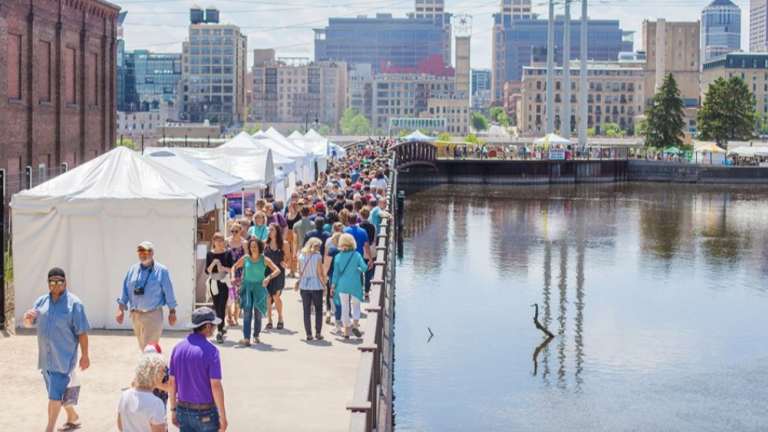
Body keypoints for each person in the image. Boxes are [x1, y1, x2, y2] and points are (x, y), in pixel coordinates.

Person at [24, 267, 90, 432]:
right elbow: (28, 324)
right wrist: (27, 318)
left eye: (59, 282)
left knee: (54, 396)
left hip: (63, 359)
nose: (55, 285)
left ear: (65, 282)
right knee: (56, 394)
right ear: (48, 283)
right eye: (52, 282)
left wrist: (85, 355)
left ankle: (49, 428)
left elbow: (82, 332)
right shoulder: (41, 302)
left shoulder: (74, 304)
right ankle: (72, 416)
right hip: (45, 360)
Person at [169, 307, 228, 432]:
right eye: (213, 325)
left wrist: (173, 409)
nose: (214, 328)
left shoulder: (177, 349)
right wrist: (223, 417)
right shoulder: (212, 351)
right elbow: (215, 385)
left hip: (183, 410)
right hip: (206, 413)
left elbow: (172, 383)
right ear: (207, 326)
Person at [117, 241, 178, 350]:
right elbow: (125, 290)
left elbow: (169, 291)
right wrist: (120, 309)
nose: (142, 254)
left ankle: (153, 366)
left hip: (153, 315)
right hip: (136, 315)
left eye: (145, 251)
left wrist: (172, 312)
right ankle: (151, 366)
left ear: (152, 253)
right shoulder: (133, 269)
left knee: (149, 348)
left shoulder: (161, 270)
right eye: (140, 251)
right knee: (142, 347)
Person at [231, 238, 280, 345]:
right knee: (247, 313)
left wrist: (268, 278)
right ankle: (246, 338)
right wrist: (233, 276)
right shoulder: (245, 258)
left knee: (258, 314)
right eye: (251, 246)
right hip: (247, 287)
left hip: (259, 288)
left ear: (259, 247)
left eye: (255, 246)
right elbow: (234, 266)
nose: (253, 248)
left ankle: (256, 335)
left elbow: (277, 270)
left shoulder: (264, 259)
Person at [117, 351, 168, 432]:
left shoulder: (125, 395)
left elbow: (120, 425)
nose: (164, 375)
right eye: (163, 371)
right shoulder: (156, 403)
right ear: (155, 374)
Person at [331, 234, 368, 339]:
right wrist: (359, 270)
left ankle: (346, 331)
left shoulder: (338, 256)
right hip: (355, 283)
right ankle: (355, 325)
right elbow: (364, 268)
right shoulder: (356, 255)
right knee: (356, 305)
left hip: (342, 285)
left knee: (345, 307)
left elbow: (335, 273)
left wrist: (333, 286)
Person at [296, 237, 327, 341]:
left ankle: (308, 334)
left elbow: (299, 271)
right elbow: (320, 273)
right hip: (316, 285)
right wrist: (324, 285)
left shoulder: (301, 255)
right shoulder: (318, 256)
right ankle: (318, 333)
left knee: (306, 310)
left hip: (304, 284)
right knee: (318, 309)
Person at [205, 233, 233, 343]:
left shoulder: (228, 253)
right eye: (217, 240)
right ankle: (221, 325)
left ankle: (220, 331)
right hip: (213, 283)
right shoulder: (209, 254)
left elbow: (231, 268)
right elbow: (207, 271)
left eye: (221, 240)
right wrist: (213, 264)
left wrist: (222, 267)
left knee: (222, 305)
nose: (220, 242)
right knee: (217, 306)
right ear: (214, 241)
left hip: (224, 282)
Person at [344, 213, 373, 299]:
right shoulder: (363, 231)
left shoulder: (345, 231)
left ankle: (348, 294)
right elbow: (367, 247)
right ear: (356, 220)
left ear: (348, 221)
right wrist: (370, 259)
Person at [264, 223, 287, 330]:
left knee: (276, 296)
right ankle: (269, 320)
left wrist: (285, 262)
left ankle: (280, 318)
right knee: (268, 297)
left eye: (272, 230)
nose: (269, 232)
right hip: (267, 272)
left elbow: (289, 259)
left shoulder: (284, 244)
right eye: (269, 230)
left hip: (279, 272)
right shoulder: (265, 244)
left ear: (277, 231)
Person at [226, 223, 246, 327]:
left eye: (236, 231)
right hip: (228, 271)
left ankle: (235, 316)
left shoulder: (244, 243)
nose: (233, 233)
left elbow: (247, 259)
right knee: (229, 295)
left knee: (238, 296)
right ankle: (229, 317)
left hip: (240, 271)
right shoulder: (227, 241)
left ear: (240, 231)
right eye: (232, 231)